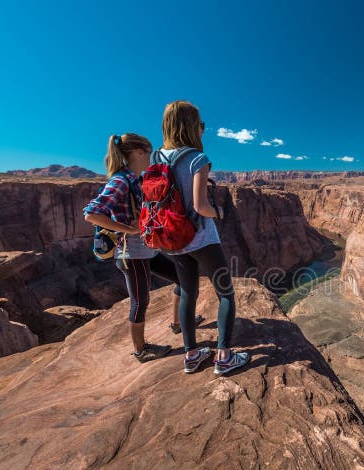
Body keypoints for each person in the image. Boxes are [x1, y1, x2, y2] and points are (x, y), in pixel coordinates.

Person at [83, 133, 201, 362]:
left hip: (147, 248)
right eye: (150, 151)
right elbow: (91, 214)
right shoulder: (120, 181)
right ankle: (141, 350)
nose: (154, 155)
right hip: (131, 253)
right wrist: (129, 229)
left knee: (181, 277)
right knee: (140, 302)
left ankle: (177, 323)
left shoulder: (139, 177)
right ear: (139, 153)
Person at [156, 100, 249, 375]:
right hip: (201, 239)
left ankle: (192, 355)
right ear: (191, 126)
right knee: (226, 295)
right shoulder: (197, 158)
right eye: (200, 124)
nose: (203, 129)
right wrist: (219, 211)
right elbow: (200, 206)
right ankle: (224, 357)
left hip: (172, 238)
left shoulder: (156, 158)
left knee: (187, 292)